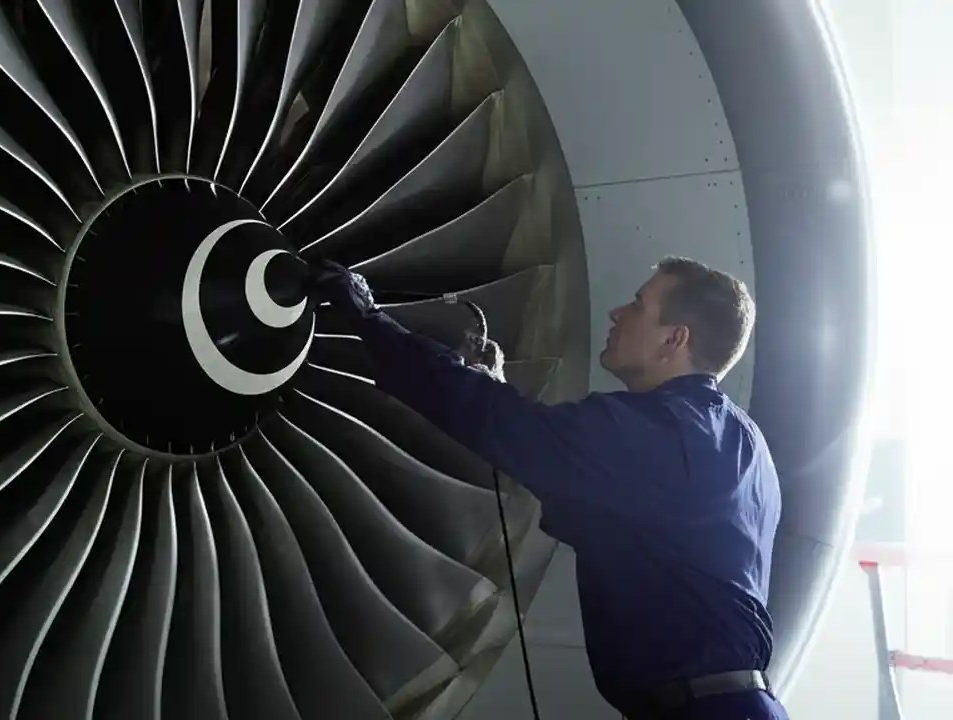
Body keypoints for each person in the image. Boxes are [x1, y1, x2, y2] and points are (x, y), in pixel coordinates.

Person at [311, 257, 788, 720]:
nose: (617, 313)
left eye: (638, 305)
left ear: (674, 338)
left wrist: (369, 320)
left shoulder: (658, 433)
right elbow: (597, 496)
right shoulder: (743, 443)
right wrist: (496, 391)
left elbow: (495, 421)